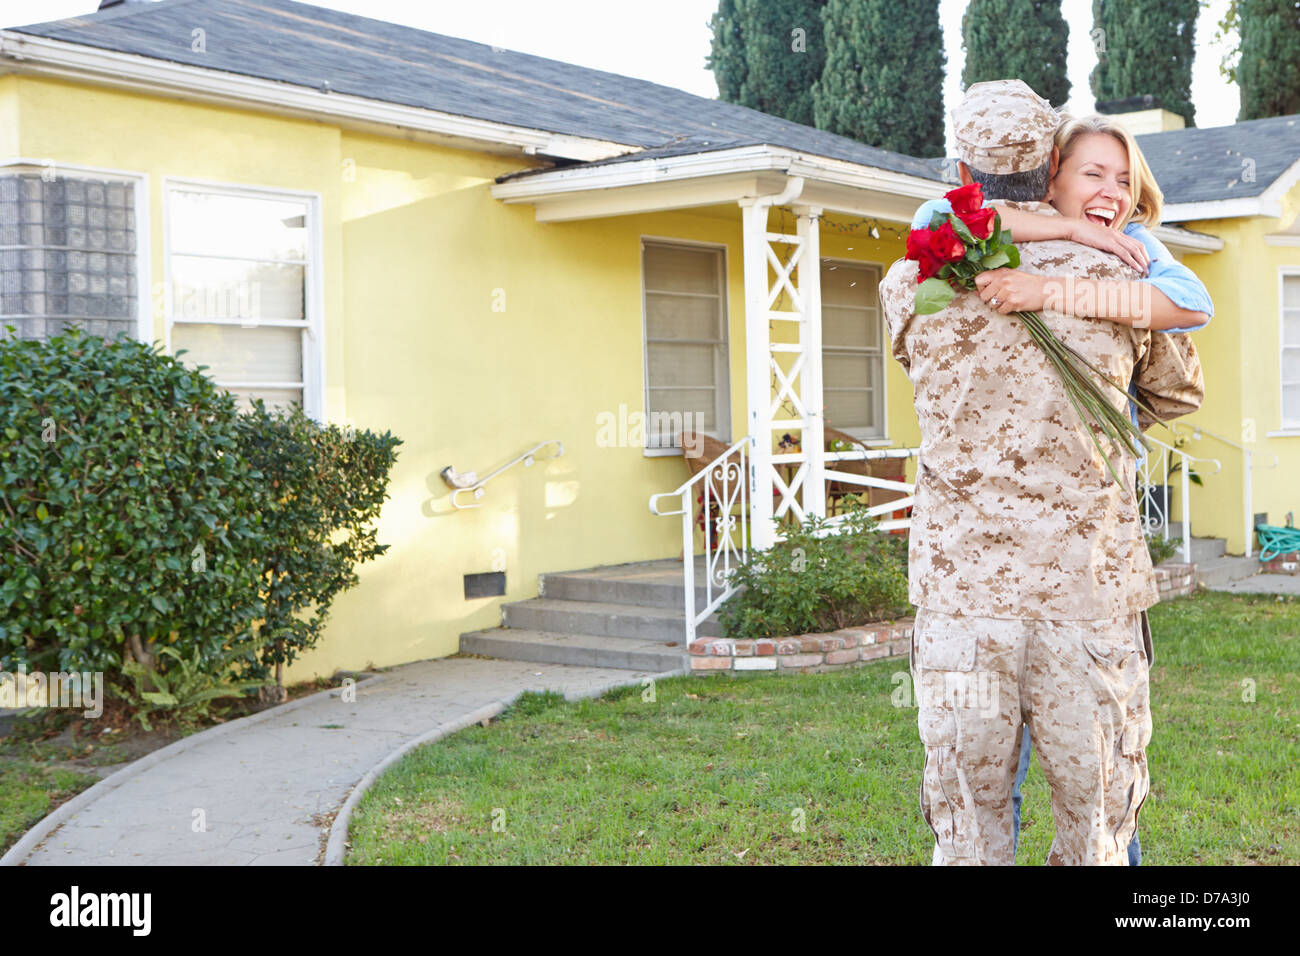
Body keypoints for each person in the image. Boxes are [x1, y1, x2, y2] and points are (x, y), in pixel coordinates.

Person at [878, 79, 1205, 865]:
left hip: (964, 602)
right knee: (1096, 828)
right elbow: (1176, 392)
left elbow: (933, 251)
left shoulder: (912, 282)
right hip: (1086, 595)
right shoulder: (1127, 283)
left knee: (969, 829)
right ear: (1053, 163)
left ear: (962, 166)